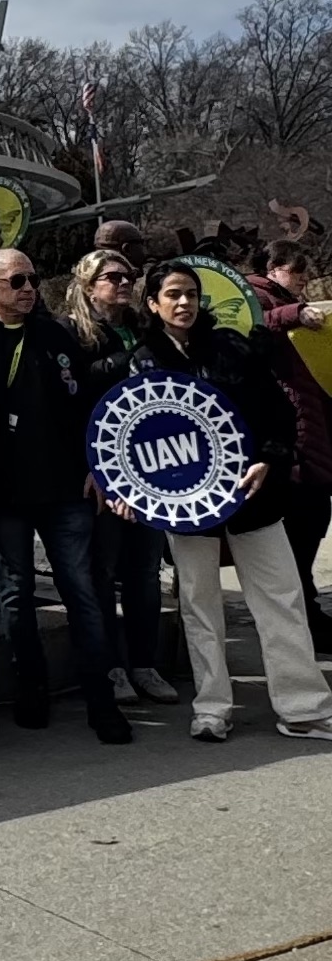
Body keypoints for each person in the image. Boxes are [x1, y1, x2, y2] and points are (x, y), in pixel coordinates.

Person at [129, 258, 332, 742]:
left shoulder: (234, 349)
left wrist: (269, 459)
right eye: (173, 295)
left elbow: (278, 413)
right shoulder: (142, 362)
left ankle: (303, 707)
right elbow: (135, 441)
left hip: (255, 499)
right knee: (199, 608)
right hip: (187, 507)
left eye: (191, 295)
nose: (183, 303)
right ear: (154, 304)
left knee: (282, 601)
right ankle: (212, 708)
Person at [0, 247, 133, 743]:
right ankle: (30, 689)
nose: (29, 288)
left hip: (65, 488)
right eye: (16, 280)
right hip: (5, 493)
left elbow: (90, 407)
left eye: (32, 278)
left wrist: (96, 466)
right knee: (15, 598)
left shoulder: (58, 333)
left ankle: (102, 700)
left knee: (83, 592)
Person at [61, 249, 177, 702]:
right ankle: (110, 667)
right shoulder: (72, 332)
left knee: (145, 571)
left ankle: (144, 663)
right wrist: (89, 466)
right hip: (104, 469)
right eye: (113, 277)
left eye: (129, 276)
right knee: (103, 570)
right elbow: (71, 401)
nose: (125, 283)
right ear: (90, 285)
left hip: (150, 466)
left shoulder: (144, 327)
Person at [246, 240, 332, 652]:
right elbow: (254, 322)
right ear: (275, 267)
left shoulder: (279, 297)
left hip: (307, 421)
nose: (302, 284)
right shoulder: (254, 295)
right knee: (305, 519)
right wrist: (294, 313)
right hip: (290, 428)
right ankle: (304, 617)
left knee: (312, 518)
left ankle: (307, 611)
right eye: (298, 274)